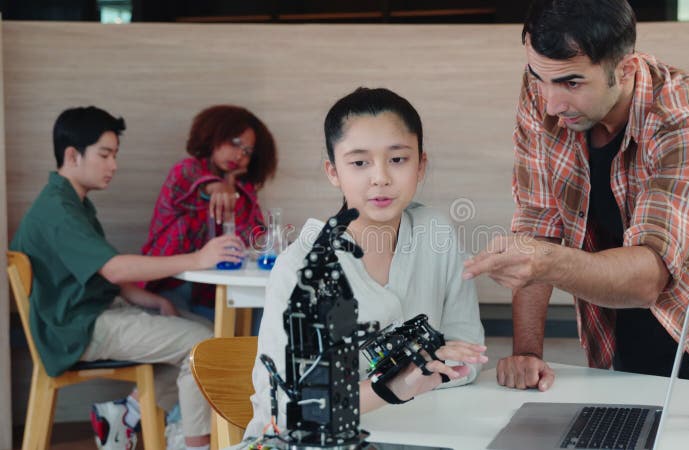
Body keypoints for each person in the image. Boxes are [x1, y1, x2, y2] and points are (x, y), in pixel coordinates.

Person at [463, 0, 689, 391]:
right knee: (630, 411)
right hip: (618, 287)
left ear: (626, 68)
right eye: (539, 78)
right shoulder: (546, 86)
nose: (551, 103)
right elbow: (538, 222)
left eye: (572, 83)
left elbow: (650, 276)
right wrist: (527, 353)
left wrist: (546, 262)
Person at [243, 87, 487, 439]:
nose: (381, 177)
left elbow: (469, 357)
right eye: (359, 162)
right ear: (333, 171)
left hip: (417, 432)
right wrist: (392, 386)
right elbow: (285, 409)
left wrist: (423, 373)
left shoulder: (437, 233)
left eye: (398, 159)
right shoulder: (300, 268)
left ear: (421, 166)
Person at [10, 106, 246, 450]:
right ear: (73, 155)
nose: (113, 166)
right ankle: (197, 444)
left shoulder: (72, 202)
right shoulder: (58, 210)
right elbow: (114, 268)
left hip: (90, 314)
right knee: (204, 347)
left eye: (115, 155)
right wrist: (199, 258)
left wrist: (154, 299)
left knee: (205, 334)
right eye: (105, 155)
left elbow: (102, 270)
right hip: (78, 327)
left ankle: (128, 413)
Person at [141, 105, 278, 317]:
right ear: (214, 135)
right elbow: (199, 185)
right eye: (235, 143)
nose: (239, 154)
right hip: (171, 283)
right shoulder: (186, 170)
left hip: (214, 291)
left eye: (247, 151)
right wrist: (218, 186)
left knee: (266, 312)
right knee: (213, 338)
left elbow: (249, 241)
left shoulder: (243, 191)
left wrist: (230, 184)